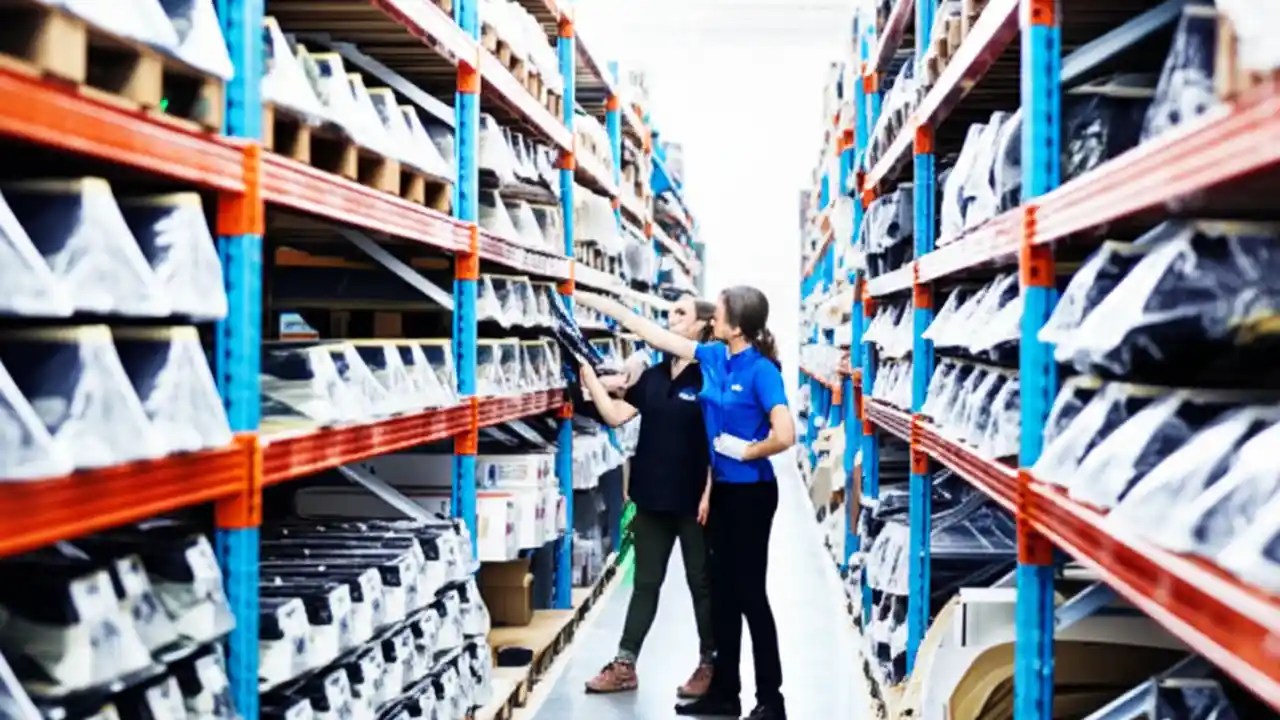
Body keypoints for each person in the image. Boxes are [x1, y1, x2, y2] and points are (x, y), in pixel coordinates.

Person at [575, 286, 796, 720]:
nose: (714, 316)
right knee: (724, 597)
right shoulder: (714, 358)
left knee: (751, 595)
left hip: (752, 493)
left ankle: (772, 700)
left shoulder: (762, 371)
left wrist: (747, 451)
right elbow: (651, 334)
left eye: (721, 312)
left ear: (736, 326)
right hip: (725, 494)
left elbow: (786, 433)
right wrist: (594, 298)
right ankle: (725, 694)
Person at [577, 294, 718, 699]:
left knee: (701, 584)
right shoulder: (654, 377)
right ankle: (624, 664)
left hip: (695, 503)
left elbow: (720, 439)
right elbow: (618, 415)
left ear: (702, 326)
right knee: (646, 582)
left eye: (680, 313)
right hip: (651, 499)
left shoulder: (710, 376)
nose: (671, 319)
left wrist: (711, 491)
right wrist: (589, 379)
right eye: (670, 312)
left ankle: (710, 663)